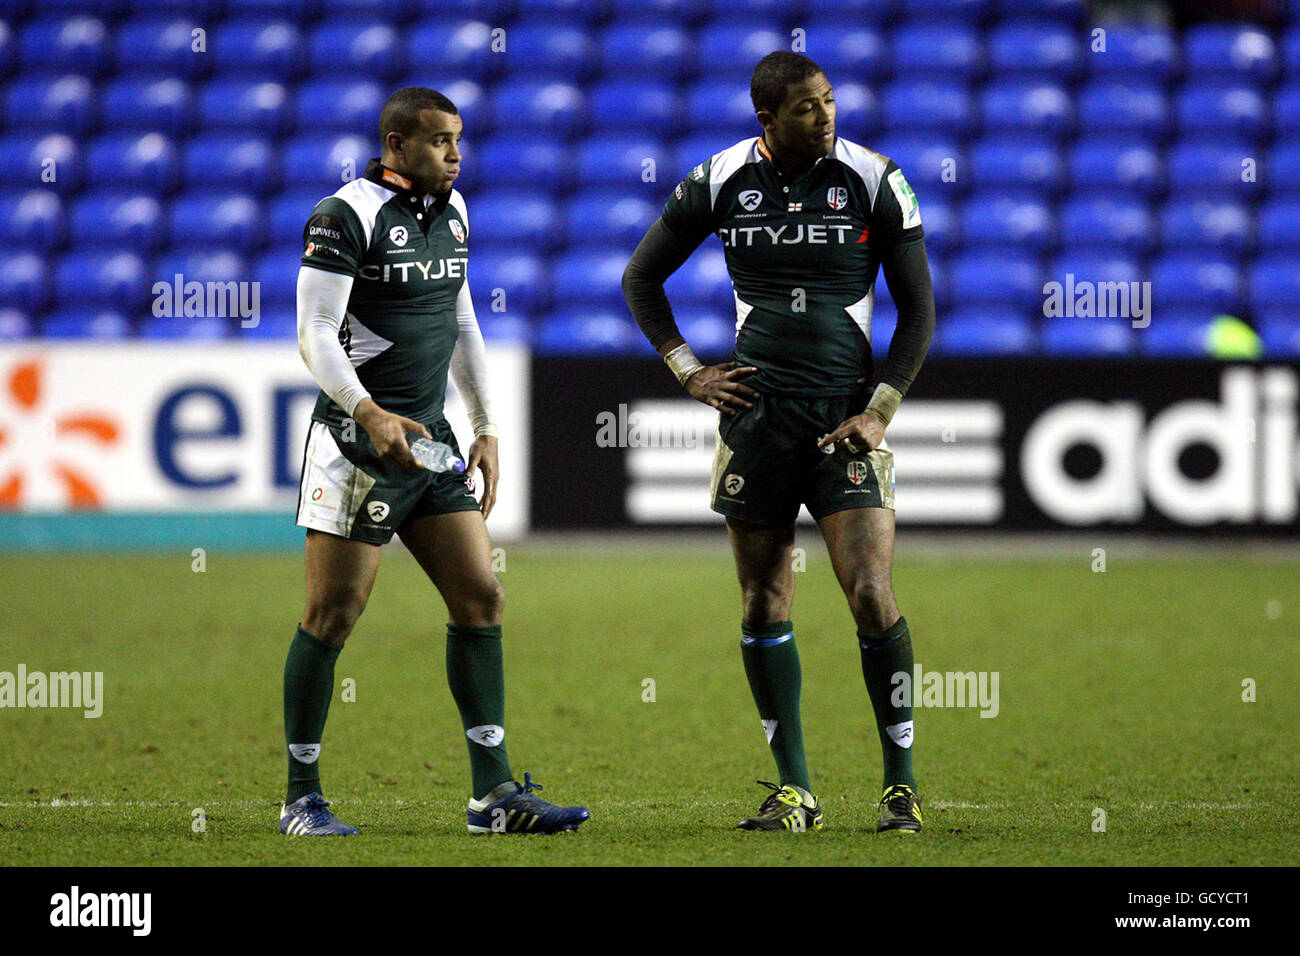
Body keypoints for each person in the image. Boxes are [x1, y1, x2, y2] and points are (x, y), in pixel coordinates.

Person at [622, 53, 935, 833]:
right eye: (805, 107)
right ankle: (794, 789)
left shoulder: (874, 178)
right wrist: (690, 372)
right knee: (765, 596)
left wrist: (881, 409)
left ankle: (901, 787)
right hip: (758, 419)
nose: (825, 115)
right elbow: (640, 280)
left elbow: (920, 311)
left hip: (845, 421)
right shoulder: (720, 179)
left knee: (869, 592)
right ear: (767, 119)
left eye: (829, 100)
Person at [282, 87, 588, 836]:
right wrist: (369, 412)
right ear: (395, 144)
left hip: (430, 442)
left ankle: (492, 795)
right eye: (440, 141)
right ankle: (301, 797)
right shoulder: (343, 215)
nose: (456, 154)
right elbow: (315, 331)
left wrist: (483, 424)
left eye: (459, 141)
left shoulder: (452, 213)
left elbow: (460, 318)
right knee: (333, 615)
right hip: (356, 445)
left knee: (482, 596)